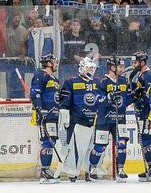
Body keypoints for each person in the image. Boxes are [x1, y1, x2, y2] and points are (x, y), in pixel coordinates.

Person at [59, 55, 104, 182]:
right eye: (88, 68)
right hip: (77, 121)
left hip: (94, 121)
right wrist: (65, 112)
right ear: (82, 68)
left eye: (92, 68)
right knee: (75, 148)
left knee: (92, 148)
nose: (91, 70)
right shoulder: (71, 81)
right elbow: (65, 100)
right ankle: (72, 172)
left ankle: (90, 171)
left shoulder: (98, 82)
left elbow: (102, 100)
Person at [91, 58, 131, 181]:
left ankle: (120, 170)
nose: (122, 69)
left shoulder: (124, 81)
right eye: (119, 67)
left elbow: (127, 99)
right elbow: (97, 100)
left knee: (122, 145)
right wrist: (109, 97)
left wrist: (136, 96)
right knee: (100, 147)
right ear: (112, 67)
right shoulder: (102, 81)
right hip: (104, 119)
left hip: (120, 119)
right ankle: (92, 168)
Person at [30, 54, 62, 182]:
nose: (56, 63)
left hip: (53, 115)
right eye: (54, 61)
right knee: (46, 142)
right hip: (45, 114)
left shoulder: (55, 79)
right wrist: (39, 109)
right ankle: (44, 171)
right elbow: (35, 93)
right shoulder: (40, 75)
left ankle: (47, 169)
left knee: (52, 141)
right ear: (48, 63)